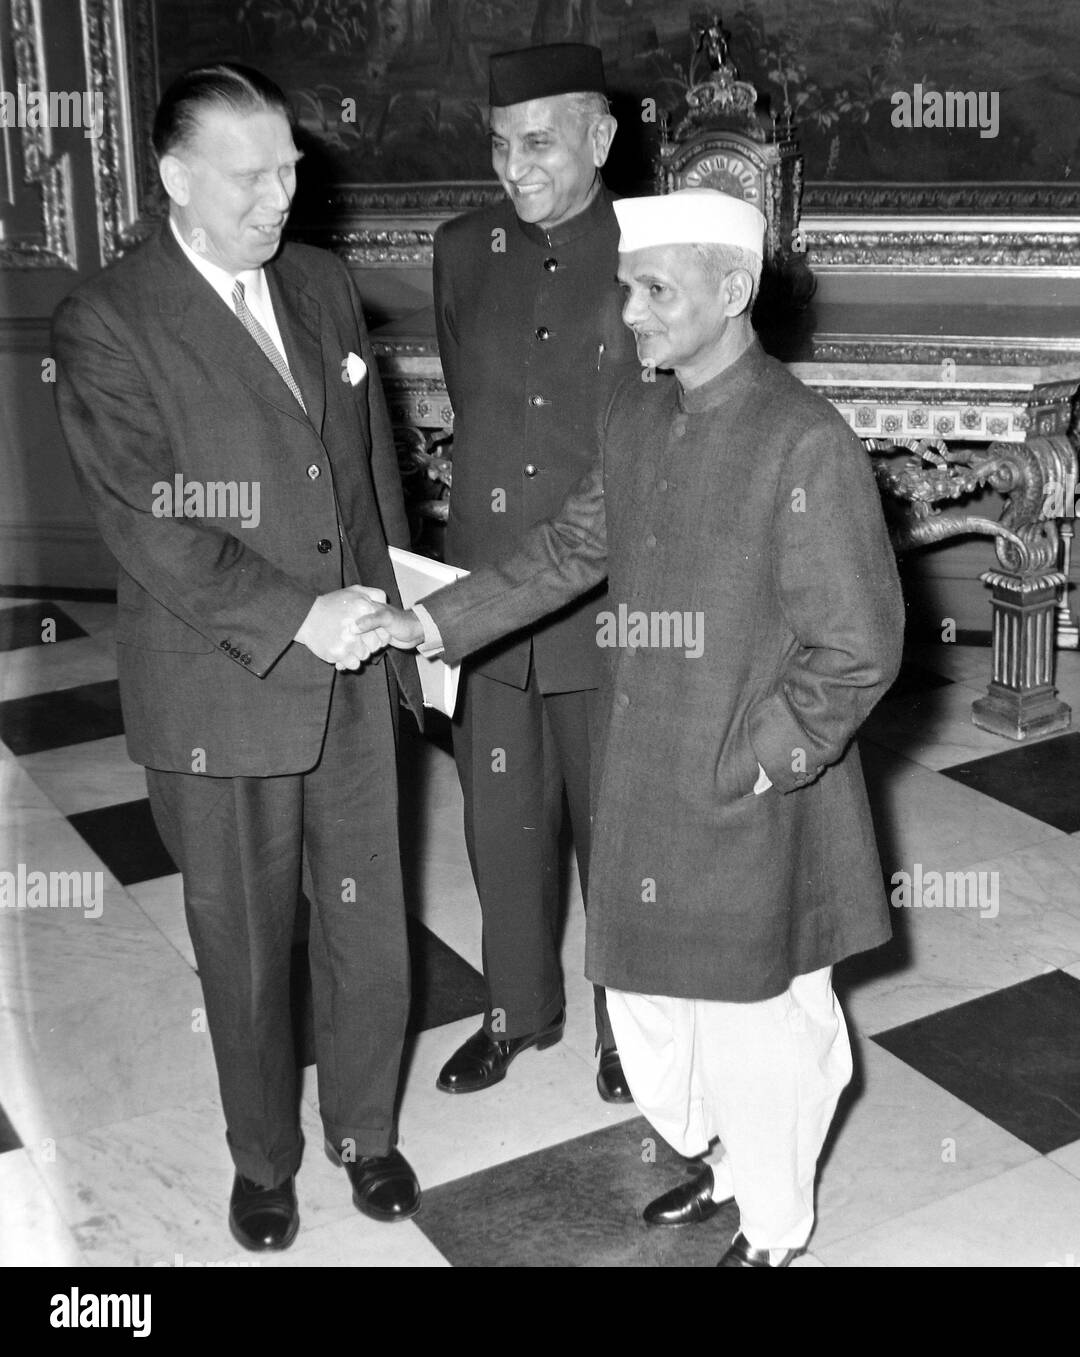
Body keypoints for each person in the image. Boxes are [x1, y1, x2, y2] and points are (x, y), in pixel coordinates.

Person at [362, 188, 905, 1266]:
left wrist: (762, 761)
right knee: (658, 1002)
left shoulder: (804, 444)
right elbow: (568, 549)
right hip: (645, 768)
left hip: (754, 792)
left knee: (766, 1024)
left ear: (732, 291)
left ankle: (774, 1221)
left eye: (655, 290)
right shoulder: (639, 416)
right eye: (627, 286)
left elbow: (860, 647)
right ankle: (717, 1163)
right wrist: (433, 618)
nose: (631, 313)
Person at [51, 63, 422, 1253]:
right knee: (246, 943)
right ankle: (262, 1160)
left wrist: (407, 621)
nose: (282, 198)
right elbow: (150, 520)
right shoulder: (108, 318)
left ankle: (364, 1131)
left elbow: (365, 476)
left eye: (292, 172)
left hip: (358, 665)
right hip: (226, 681)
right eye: (253, 176)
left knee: (368, 919)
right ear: (175, 178)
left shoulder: (319, 281)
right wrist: (294, 617)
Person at [428, 42, 639, 1102]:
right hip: (487, 598)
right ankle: (515, 1012)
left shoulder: (651, 250)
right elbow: (474, 397)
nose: (516, 167)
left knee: (618, 829)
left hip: (613, 602)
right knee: (497, 820)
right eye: (502, 144)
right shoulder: (461, 248)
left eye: (541, 142)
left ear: (600, 138)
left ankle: (627, 1031)